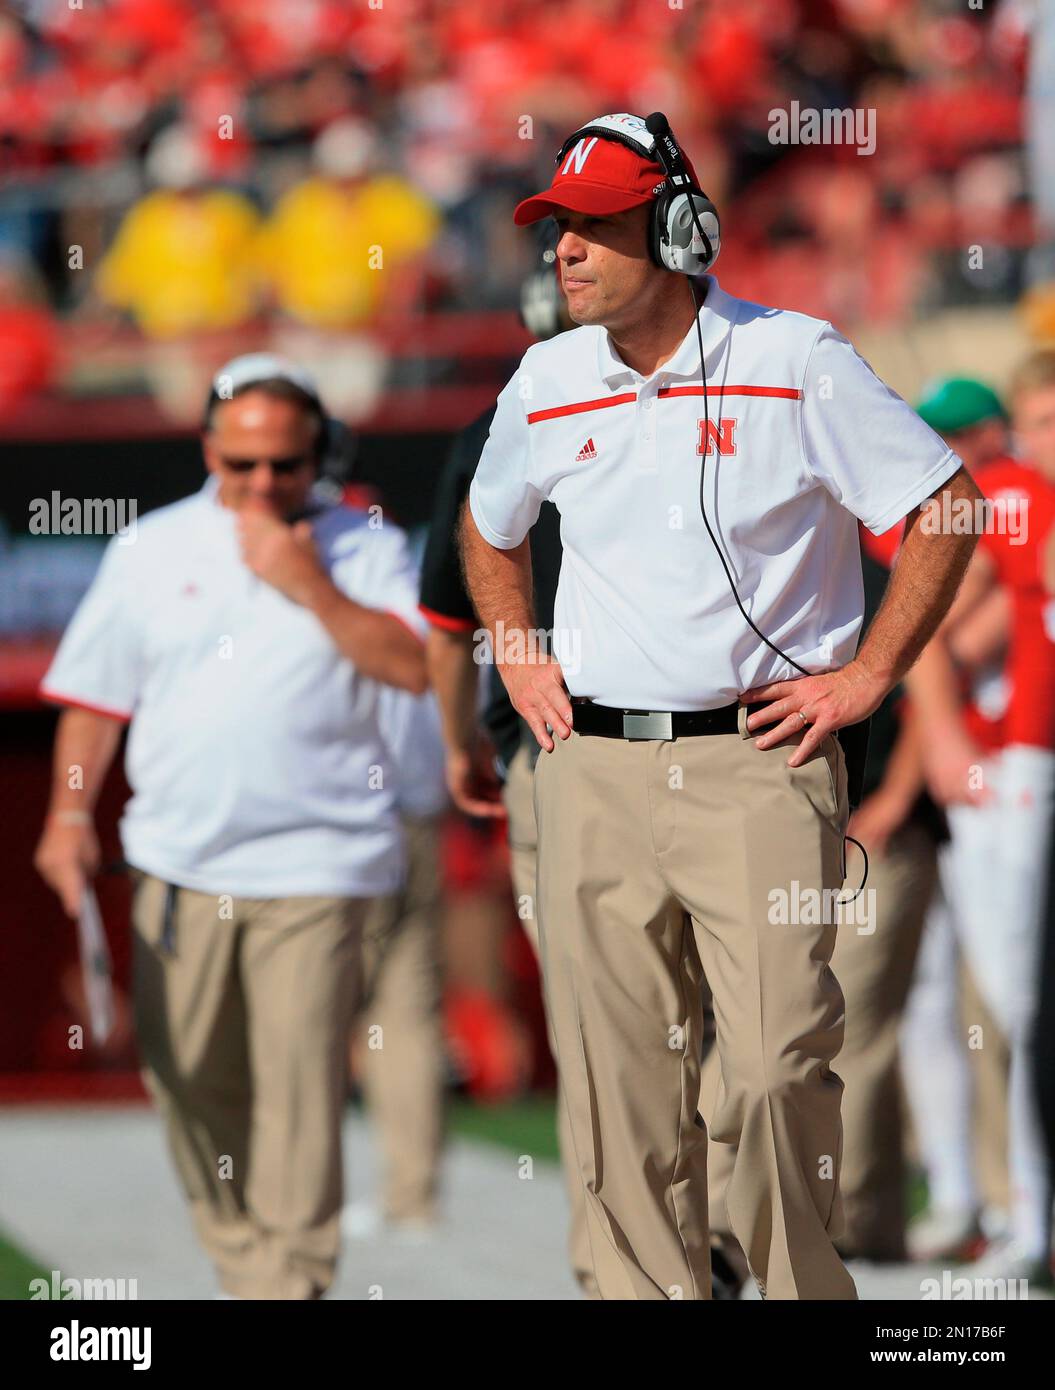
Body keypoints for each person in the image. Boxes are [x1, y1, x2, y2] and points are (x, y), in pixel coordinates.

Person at [460, 111, 981, 1300]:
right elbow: (488, 532)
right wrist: (516, 648)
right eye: (558, 231)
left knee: (770, 1068)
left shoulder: (794, 358)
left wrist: (866, 676)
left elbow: (943, 506)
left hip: (755, 762)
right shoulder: (545, 376)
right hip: (588, 762)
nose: (567, 253)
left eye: (595, 226)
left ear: (680, 230)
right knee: (617, 1090)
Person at [33, 354, 427, 1300]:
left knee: (297, 1093)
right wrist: (66, 812)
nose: (260, 485)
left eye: (282, 466)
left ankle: (288, 1284)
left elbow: (417, 668)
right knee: (186, 1076)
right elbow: (93, 699)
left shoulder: (365, 546)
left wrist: (310, 586)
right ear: (208, 447)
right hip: (176, 862)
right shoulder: (149, 549)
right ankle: (250, 1264)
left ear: (316, 458)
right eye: (240, 464)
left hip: (319, 861)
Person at [908, 350, 1055, 1283]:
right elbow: (932, 624)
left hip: (1014, 764)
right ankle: (1027, 1215)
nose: (1041, 445)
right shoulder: (1014, 495)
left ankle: (1018, 1210)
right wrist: (941, 736)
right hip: (1013, 766)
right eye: (1039, 423)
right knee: (1015, 1000)